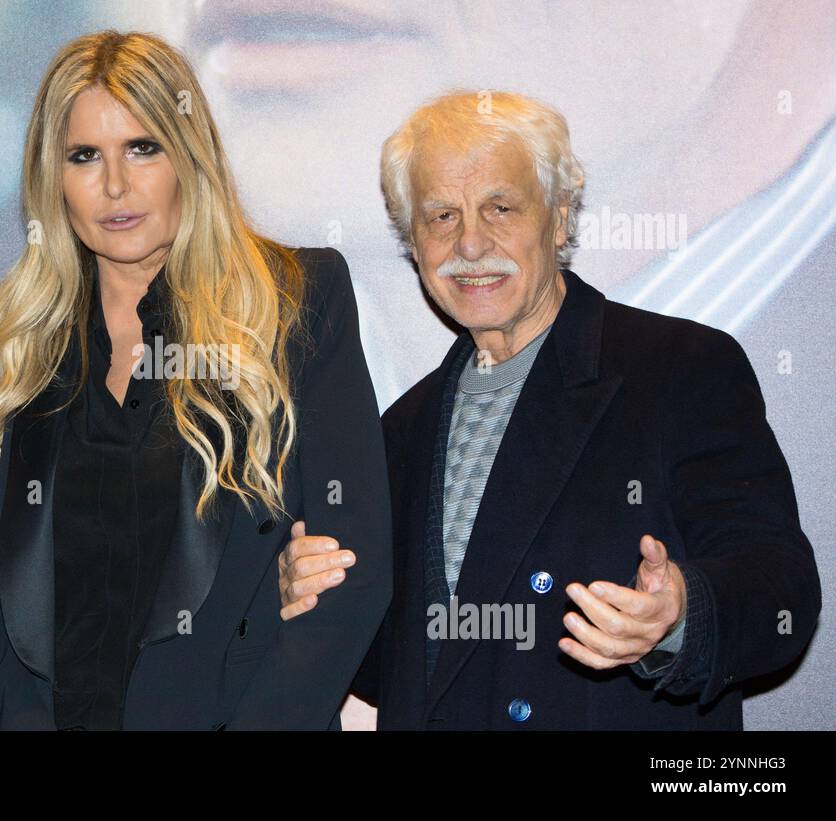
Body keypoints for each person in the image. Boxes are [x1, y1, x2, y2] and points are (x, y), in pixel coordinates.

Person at [279, 91, 821, 729]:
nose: (471, 244)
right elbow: (404, 670)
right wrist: (317, 597)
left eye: (500, 208)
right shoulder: (397, 434)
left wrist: (679, 615)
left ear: (560, 218)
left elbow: (780, 587)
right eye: (441, 216)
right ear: (413, 242)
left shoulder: (680, 369)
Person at [0, 30, 392, 730]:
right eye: (84, 156)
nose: (114, 185)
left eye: (143, 147)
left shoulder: (295, 301)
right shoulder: (9, 336)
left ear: (189, 156)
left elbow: (350, 572)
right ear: (51, 176)